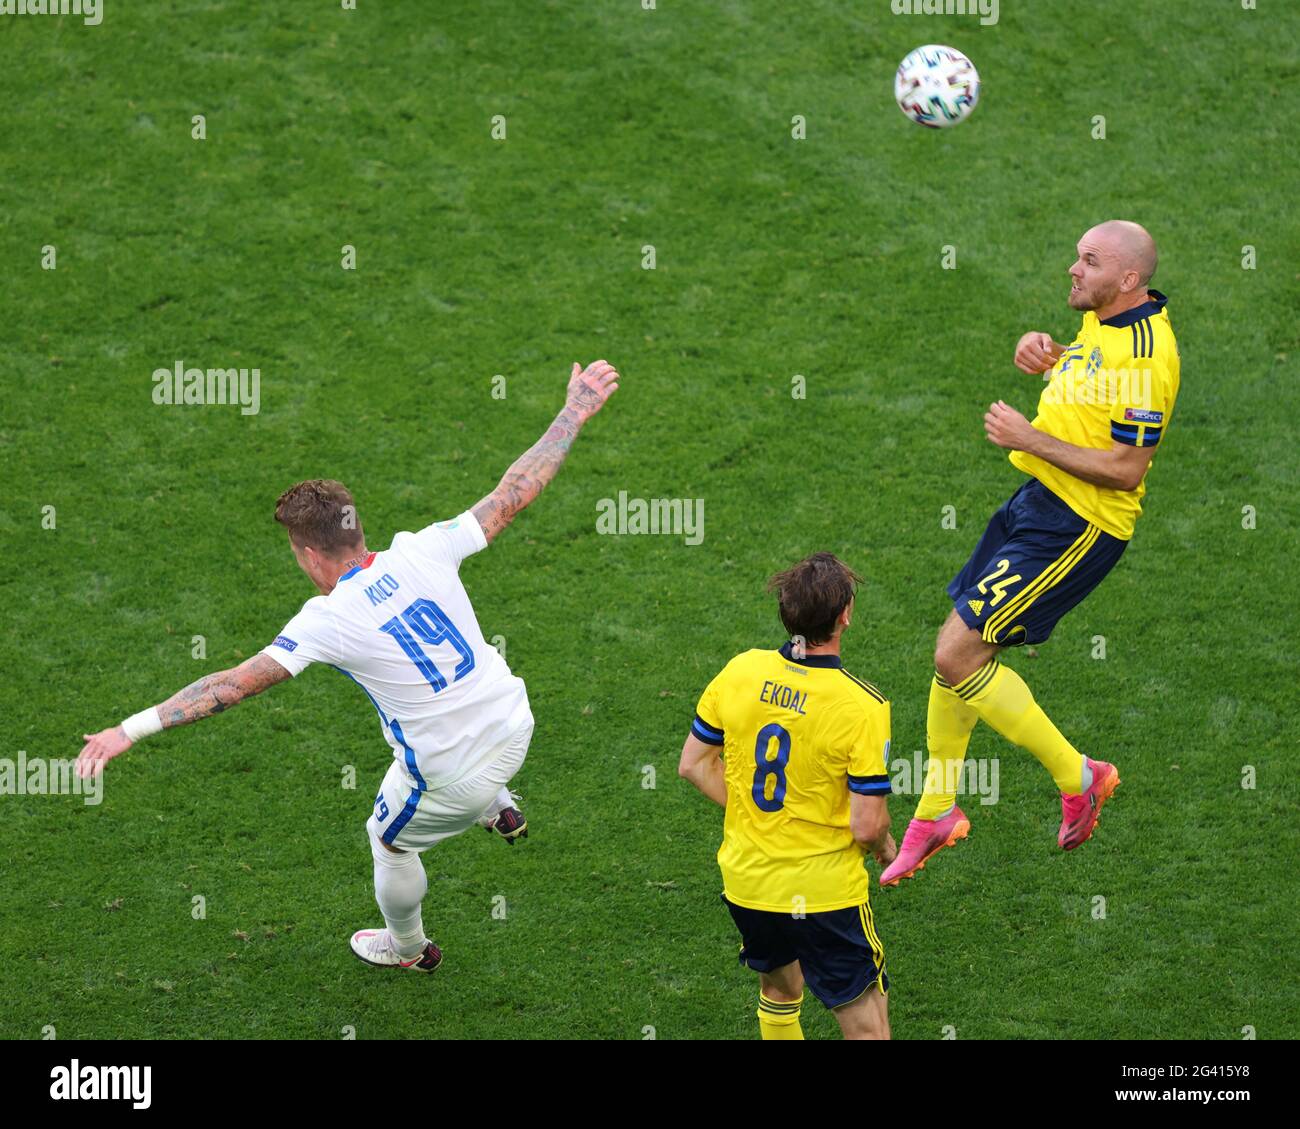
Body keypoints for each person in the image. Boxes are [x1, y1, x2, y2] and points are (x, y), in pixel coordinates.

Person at [77, 360, 621, 973]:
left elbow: (230, 685)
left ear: (310, 554)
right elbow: (515, 489)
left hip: (450, 774)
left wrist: (131, 728)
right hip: (516, 721)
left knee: (387, 840)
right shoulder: (426, 546)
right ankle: (498, 807)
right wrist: (575, 408)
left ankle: (410, 949)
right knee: (445, 730)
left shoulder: (326, 619)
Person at [881, 220, 1179, 886]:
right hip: (1038, 503)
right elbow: (1093, 372)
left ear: (1128, 277)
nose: (1073, 269)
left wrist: (1029, 436)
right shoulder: (1109, 324)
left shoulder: (1150, 358)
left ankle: (1082, 777)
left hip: (1080, 525)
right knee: (961, 647)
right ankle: (935, 811)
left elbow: (1128, 467)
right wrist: (1053, 355)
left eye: (1089, 260)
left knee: (955, 653)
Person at [679, 553, 897, 1039]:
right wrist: (886, 851)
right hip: (825, 894)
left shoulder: (740, 671)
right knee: (867, 1025)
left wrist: (759, 815)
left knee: (779, 993)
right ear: (845, 616)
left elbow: (693, 764)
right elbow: (866, 826)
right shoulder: (862, 706)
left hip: (749, 882)